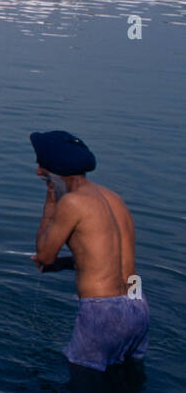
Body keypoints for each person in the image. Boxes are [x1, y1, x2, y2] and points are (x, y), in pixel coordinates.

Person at [29, 130, 147, 372]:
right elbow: (107, 257)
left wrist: (50, 204)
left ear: (53, 170)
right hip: (138, 306)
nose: (38, 171)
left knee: (83, 391)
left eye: (42, 165)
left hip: (103, 312)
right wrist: (63, 264)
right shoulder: (113, 197)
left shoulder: (72, 203)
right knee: (126, 380)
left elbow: (44, 254)